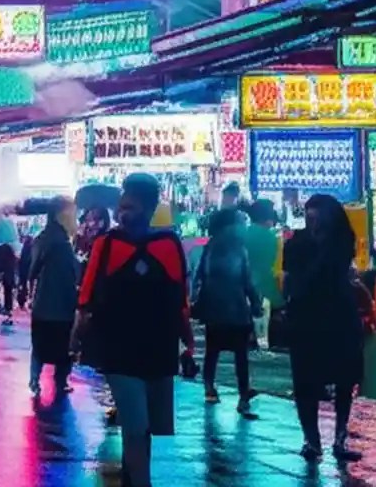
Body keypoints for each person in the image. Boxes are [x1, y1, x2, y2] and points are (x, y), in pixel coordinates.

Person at [73, 174, 193, 487]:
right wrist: (75, 338)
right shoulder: (107, 244)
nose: (123, 212)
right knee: (137, 425)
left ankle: (132, 477)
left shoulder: (168, 245)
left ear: (149, 207)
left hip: (160, 348)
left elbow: (181, 300)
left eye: (131, 206)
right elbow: (86, 297)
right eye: (122, 205)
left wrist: (188, 344)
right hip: (119, 349)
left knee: (146, 427)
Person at [283, 194, 364, 462]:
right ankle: (312, 439)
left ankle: (338, 437)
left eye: (315, 211)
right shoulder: (298, 242)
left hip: (337, 317)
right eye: (308, 211)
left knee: (344, 380)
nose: (310, 216)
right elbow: (292, 279)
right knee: (306, 381)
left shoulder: (339, 242)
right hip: (308, 318)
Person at [191, 207, 261, 416]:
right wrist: (255, 302)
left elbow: (199, 275)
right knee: (240, 355)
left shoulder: (211, 245)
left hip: (214, 308)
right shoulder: (238, 248)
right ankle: (242, 395)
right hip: (235, 308)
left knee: (213, 351)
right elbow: (246, 279)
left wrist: (197, 299)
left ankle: (210, 387)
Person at [28, 196, 79, 396]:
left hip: (42, 304)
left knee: (39, 344)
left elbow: (31, 270)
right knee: (63, 346)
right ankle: (60, 381)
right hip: (62, 305)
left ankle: (34, 379)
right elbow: (75, 272)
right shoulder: (63, 244)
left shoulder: (42, 238)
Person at [245, 198, 283, 349]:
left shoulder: (245, 234)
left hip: (244, 288)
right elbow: (273, 268)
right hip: (264, 286)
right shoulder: (271, 238)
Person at [0, 209, 21, 324]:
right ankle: (8, 307)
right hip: (9, 252)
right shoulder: (10, 223)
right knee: (8, 282)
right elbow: (15, 239)